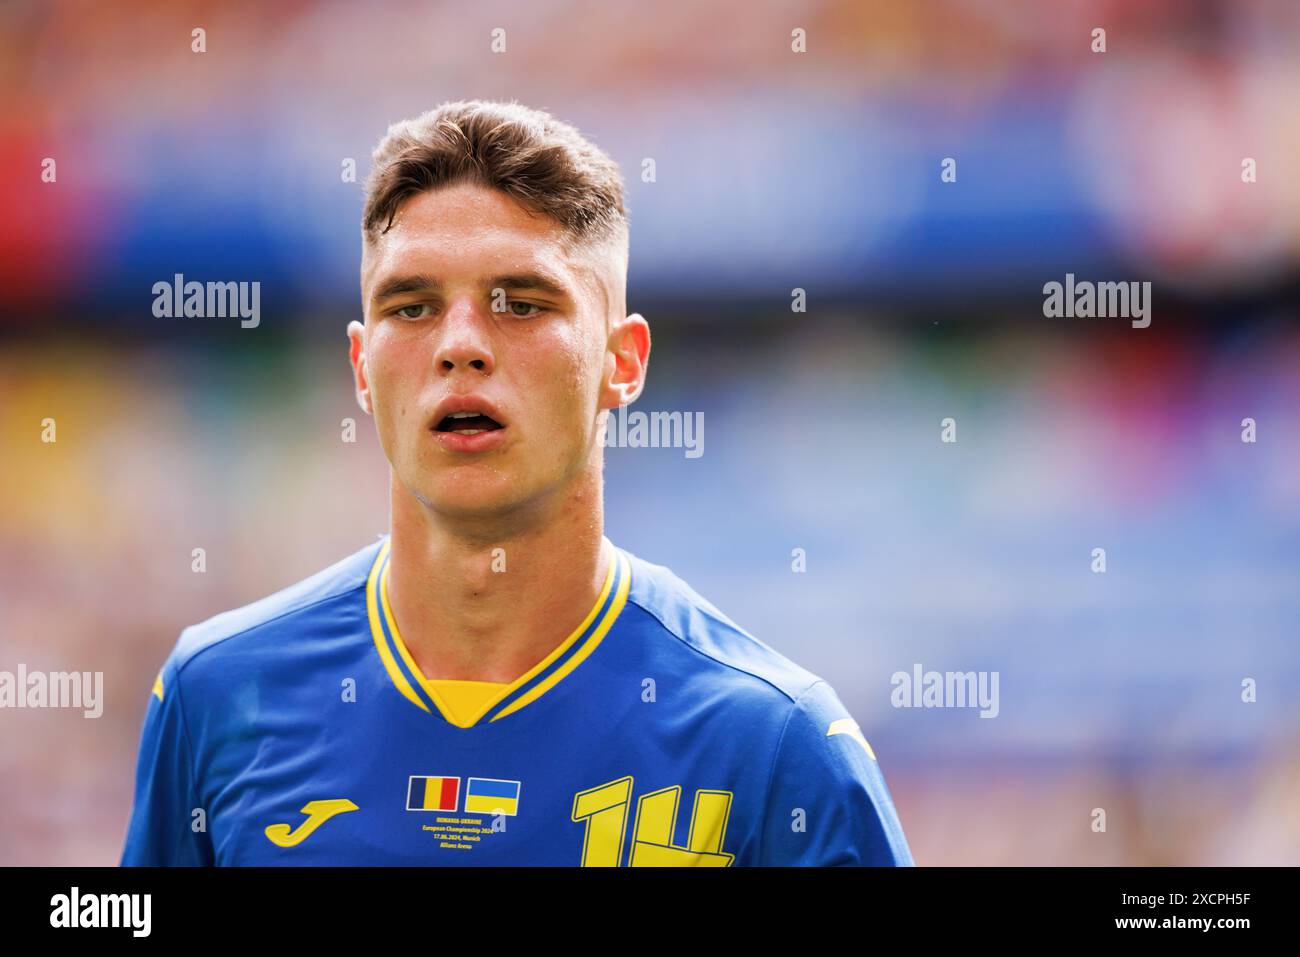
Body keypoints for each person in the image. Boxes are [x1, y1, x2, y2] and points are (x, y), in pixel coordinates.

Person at [121, 100, 913, 866]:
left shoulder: (774, 742)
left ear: (622, 360)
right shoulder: (220, 694)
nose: (460, 345)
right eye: (413, 306)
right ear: (362, 367)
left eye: (521, 304)